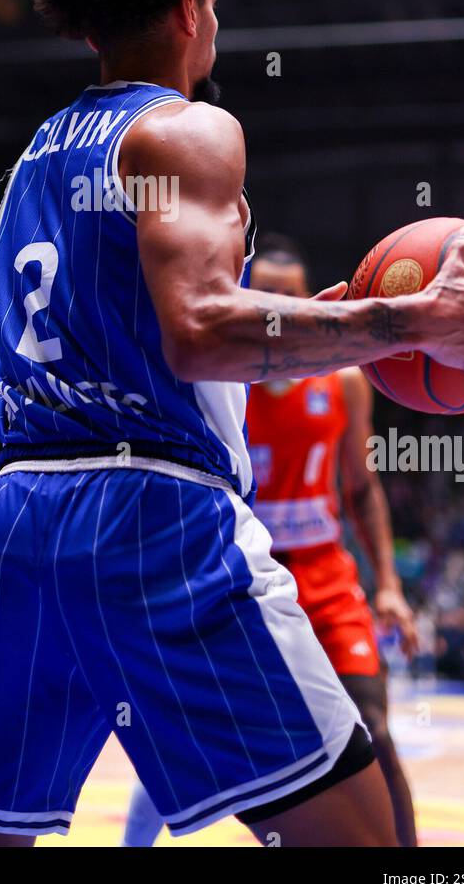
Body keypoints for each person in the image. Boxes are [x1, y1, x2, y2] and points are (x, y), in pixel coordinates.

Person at [0, 0, 464, 848]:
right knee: (367, 844)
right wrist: (408, 318)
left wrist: (318, 322)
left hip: (21, 518)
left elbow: (151, 337)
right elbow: (200, 332)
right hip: (149, 515)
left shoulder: (35, 158)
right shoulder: (188, 129)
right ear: (188, 7)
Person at [122, 233, 418, 847]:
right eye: (270, 297)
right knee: (187, 731)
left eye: (293, 297)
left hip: (325, 576)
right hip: (234, 567)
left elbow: (361, 487)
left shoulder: (346, 382)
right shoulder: (217, 375)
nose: (281, 311)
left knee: (374, 731)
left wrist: (388, 584)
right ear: (248, 298)